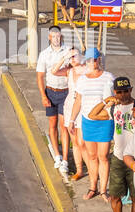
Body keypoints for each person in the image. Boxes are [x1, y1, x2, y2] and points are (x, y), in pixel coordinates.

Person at [89, 76, 135, 212]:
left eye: (126, 91)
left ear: (131, 90)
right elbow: (93, 115)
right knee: (114, 195)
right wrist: (105, 101)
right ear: (115, 92)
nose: (123, 95)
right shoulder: (113, 109)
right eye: (119, 92)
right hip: (119, 157)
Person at [70, 48, 116, 200]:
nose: (92, 62)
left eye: (95, 59)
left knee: (103, 156)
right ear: (86, 61)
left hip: (104, 121)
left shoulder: (108, 77)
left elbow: (114, 98)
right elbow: (78, 101)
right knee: (91, 155)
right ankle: (92, 187)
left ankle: (103, 189)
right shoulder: (82, 79)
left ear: (99, 60)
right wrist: (71, 120)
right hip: (87, 122)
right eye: (89, 60)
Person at [35, 27, 75, 174]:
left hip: (65, 93)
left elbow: (73, 68)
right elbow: (40, 77)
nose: (57, 39)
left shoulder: (68, 51)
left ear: (61, 37)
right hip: (51, 92)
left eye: (59, 36)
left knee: (64, 127)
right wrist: (43, 96)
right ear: (49, 37)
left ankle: (65, 160)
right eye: (54, 36)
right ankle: (57, 156)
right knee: (52, 125)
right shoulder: (44, 54)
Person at [61, 49, 87, 181]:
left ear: (81, 56)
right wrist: (64, 57)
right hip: (70, 107)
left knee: (82, 142)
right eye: (70, 57)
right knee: (75, 142)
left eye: (74, 56)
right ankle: (79, 170)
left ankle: (92, 169)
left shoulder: (87, 70)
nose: (72, 59)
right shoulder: (69, 71)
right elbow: (53, 71)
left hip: (83, 107)